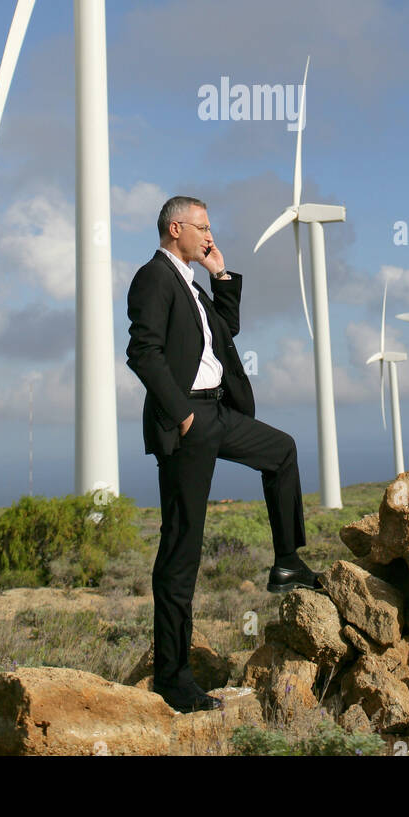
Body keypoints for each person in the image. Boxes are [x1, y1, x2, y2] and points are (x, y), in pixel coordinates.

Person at [126, 195, 320, 713]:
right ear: (175, 228)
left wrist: (221, 274)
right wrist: (180, 414)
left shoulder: (190, 281)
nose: (210, 235)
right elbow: (142, 351)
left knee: (282, 451)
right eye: (203, 227)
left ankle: (285, 561)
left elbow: (225, 336)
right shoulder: (153, 279)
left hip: (219, 413)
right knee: (182, 548)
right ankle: (174, 676)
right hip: (187, 421)